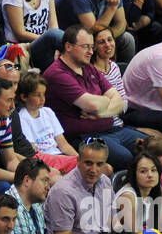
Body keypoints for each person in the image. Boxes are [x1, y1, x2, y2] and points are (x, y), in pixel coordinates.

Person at [42, 28, 143, 172]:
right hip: (83, 138)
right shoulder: (57, 74)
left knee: (152, 147)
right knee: (126, 158)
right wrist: (105, 101)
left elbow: (119, 101)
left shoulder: (89, 68)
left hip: (112, 129)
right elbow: (93, 105)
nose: (91, 52)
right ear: (68, 46)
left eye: (92, 47)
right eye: (85, 47)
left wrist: (101, 114)